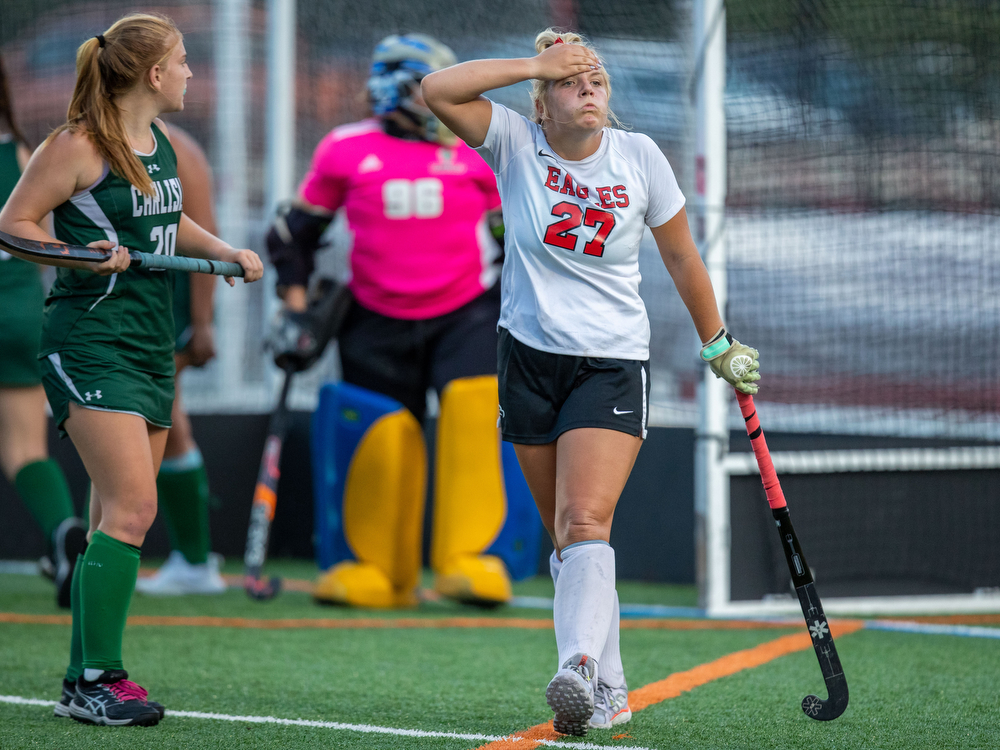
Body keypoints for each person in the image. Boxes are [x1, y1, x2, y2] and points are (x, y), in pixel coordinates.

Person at [422, 29, 760, 736]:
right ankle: (608, 687)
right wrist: (534, 66)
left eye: (597, 80)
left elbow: (681, 257)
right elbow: (437, 90)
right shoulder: (516, 141)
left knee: (585, 521)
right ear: (541, 104)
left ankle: (574, 665)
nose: (589, 89)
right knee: (567, 540)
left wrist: (717, 344)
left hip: (610, 363)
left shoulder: (639, 157)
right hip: (527, 359)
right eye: (572, 81)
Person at [0, 13, 262, 727]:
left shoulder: (161, 145)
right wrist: (82, 255)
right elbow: (14, 225)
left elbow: (169, 225)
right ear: (152, 73)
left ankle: (78, 681)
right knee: (134, 511)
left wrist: (227, 251)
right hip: (90, 343)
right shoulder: (76, 144)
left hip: (149, 345)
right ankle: (99, 677)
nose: (189, 73)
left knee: (109, 515)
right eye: (182, 61)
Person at [268, 33, 538, 609]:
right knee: (381, 430)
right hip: (374, 318)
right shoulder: (344, 148)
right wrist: (294, 311)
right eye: (428, 86)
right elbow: (295, 236)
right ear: (396, 88)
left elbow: (514, 233)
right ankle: (377, 568)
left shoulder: (473, 147)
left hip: (467, 311)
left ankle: (469, 557)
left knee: (473, 412)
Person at [0, 51, 88, 610]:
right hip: (18, 312)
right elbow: (46, 244)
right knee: (26, 446)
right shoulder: (22, 152)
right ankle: (63, 535)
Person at [136, 124, 226, 596]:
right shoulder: (97, 140)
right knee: (161, 420)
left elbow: (205, 231)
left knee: (162, 421)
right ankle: (193, 559)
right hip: (126, 310)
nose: (186, 75)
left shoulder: (178, 147)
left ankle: (194, 561)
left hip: (163, 309)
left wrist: (202, 321)